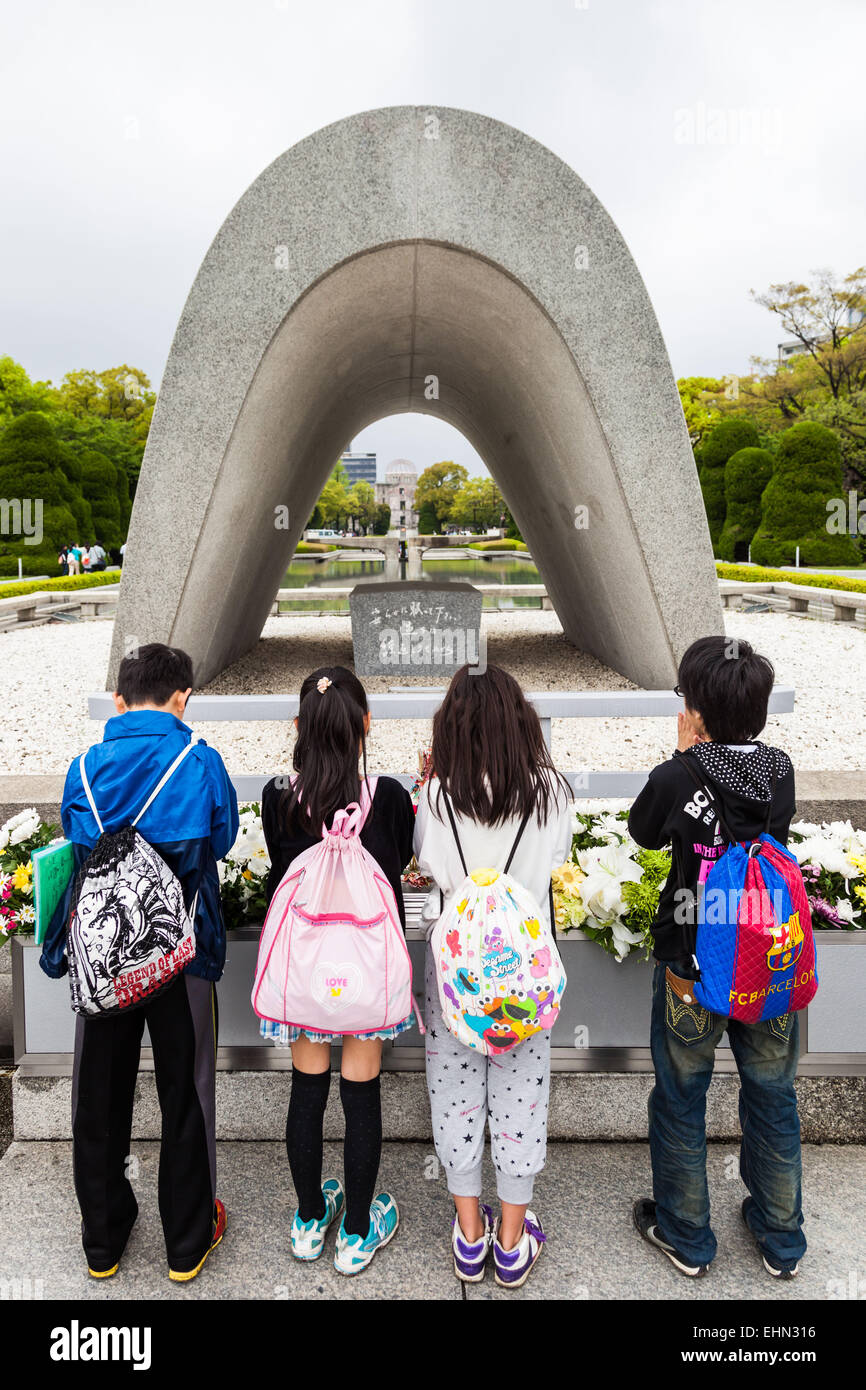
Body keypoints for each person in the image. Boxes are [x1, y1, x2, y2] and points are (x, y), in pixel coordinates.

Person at [40, 643, 239, 1283]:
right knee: (185, 1093)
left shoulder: (84, 766)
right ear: (182, 698)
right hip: (178, 958)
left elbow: (77, 845)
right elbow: (224, 835)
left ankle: (104, 1242)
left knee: (98, 1097)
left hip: (103, 958)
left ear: (121, 702)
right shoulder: (200, 762)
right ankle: (186, 1243)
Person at [628, 635, 803, 1281]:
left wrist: (684, 754)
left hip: (692, 964)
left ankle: (686, 1234)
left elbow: (644, 833)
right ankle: (781, 1236)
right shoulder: (779, 768)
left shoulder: (680, 774)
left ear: (695, 707)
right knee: (773, 1094)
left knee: (681, 1096)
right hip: (768, 959)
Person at [413, 664, 573, 1289]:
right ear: (520, 721)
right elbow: (556, 860)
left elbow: (428, 866)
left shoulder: (436, 795)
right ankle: (512, 1241)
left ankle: (469, 1235)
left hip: (456, 970)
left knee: (454, 1095)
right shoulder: (551, 791)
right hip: (526, 970)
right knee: (521, 1098)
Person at [260, 666, 415, 1275]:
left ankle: (306, 1221)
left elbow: (279, 860)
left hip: (306, 975)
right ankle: (355, 1232)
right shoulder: (393, 797)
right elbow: (400, 860)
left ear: (298, 727)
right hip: (367, 974)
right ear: (365, 725)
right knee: (361, 1096)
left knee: (306, 1091)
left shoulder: (279, 797)